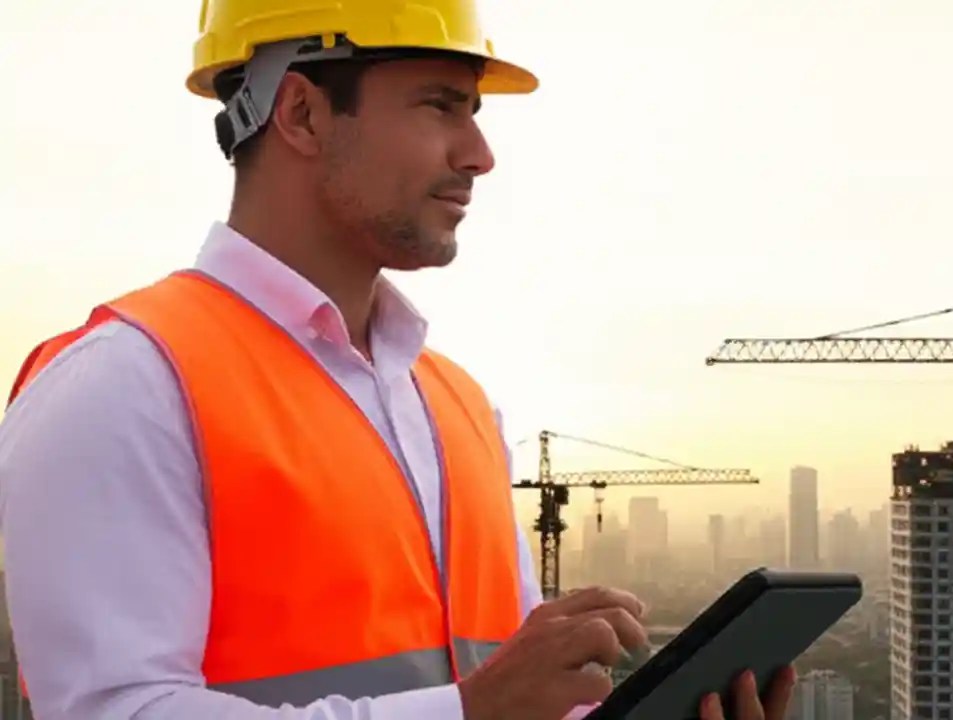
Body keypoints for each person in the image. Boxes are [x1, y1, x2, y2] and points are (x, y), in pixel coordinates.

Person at [0, 1, 796, 719]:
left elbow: (514, 702)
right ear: (304, 115)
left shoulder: (457, 406)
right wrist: (465, 713)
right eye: (441, 106)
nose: (480, 154)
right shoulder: (123, 385)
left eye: (475, 114)